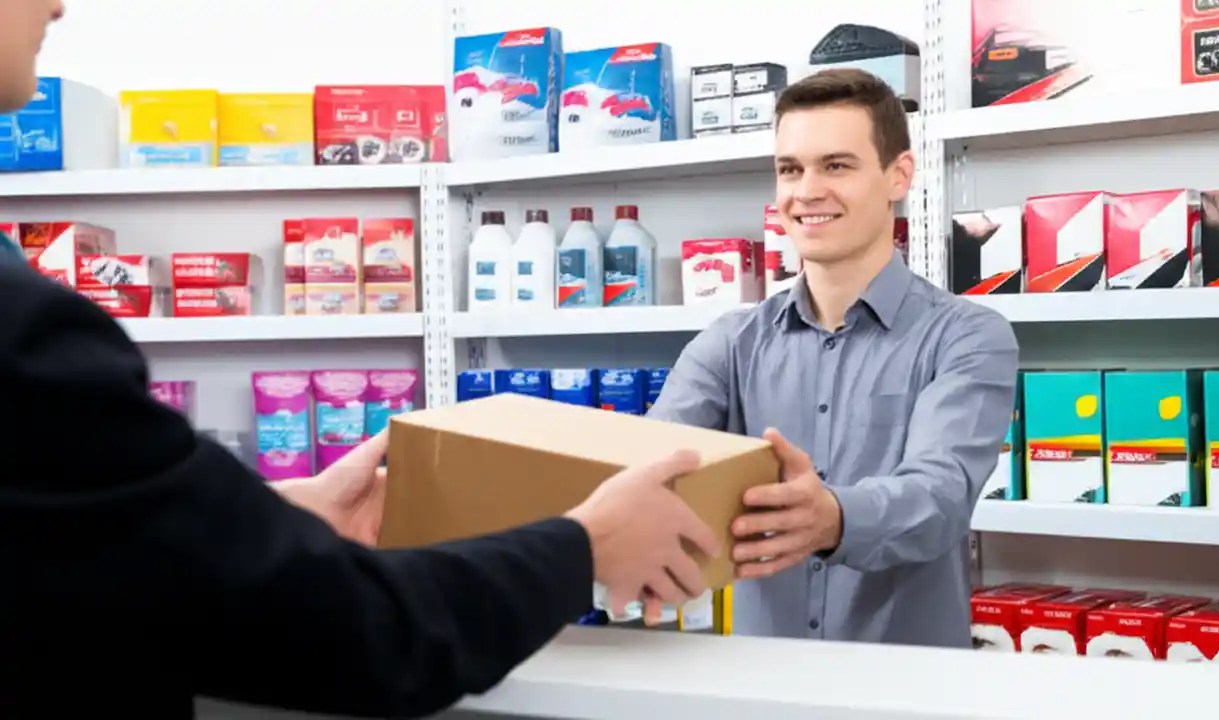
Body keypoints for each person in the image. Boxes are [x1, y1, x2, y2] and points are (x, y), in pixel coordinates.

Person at [0, 1, 718, 716]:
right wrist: (584, 547)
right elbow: (344, 633)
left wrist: (283, 515)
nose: (60, 6)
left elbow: (86, 548)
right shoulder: (24, 323)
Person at [648, 68, 1019, 648]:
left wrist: (834, 517)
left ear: (899, 175)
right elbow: (651, 463)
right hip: (763, 691)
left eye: (836, 166)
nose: (807, 191)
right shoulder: (730, 342)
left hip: (907, 693)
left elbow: (940, 496)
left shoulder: (968, 337)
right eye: (790, 169)